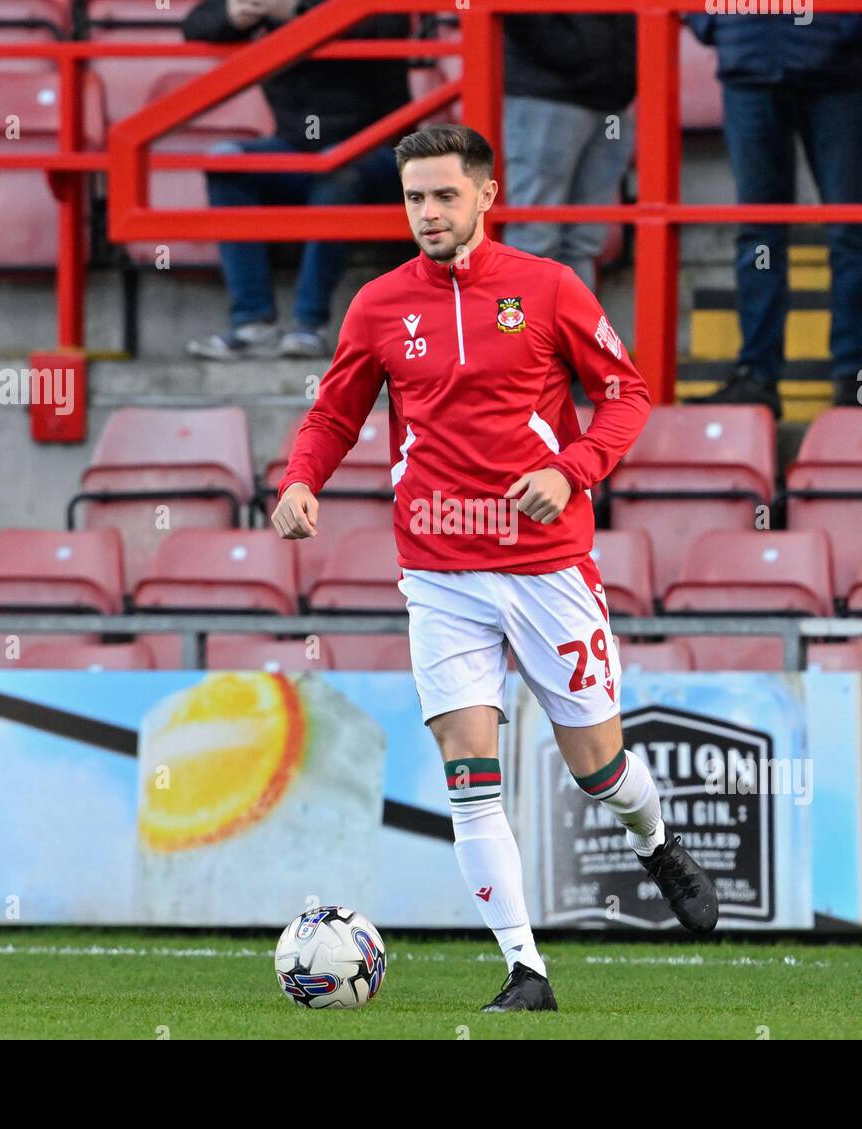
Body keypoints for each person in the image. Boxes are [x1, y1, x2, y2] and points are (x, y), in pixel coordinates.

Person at [271, 124, 719, 1013]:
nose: (428, 213)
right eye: (413, 198)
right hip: (437, 572)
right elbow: (333, 414)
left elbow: (627, 394)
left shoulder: (548, 288)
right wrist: (298, 480)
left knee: (597, 764)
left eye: (444, 195)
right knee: (470, 769)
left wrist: (572, 469)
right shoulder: (376, 305)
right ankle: (526, 969)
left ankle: (655, 840)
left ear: (486, 195)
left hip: (547, 567)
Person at [183, 0, 409, 361]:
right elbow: (197, 24)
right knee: (226, 159)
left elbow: (387, 22)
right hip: (296, 147)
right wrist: (235, 13)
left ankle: (309, 325)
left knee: (336, 170)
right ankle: (252, 322)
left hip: (380, 151)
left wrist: (298, 12)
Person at [687, 13, 862, 417]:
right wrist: (712, 22)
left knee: (848, 229)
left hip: (830, 69)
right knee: (760, 235)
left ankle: (852, 377)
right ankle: (759, 376)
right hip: (752, 66)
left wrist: (846, 25)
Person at [502, 12, 637, 290]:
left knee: (582, 241)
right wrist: (571, 51)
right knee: (536, 237)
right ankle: (526, 333)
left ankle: (569, 332)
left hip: (609, 98)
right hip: (551, 93)